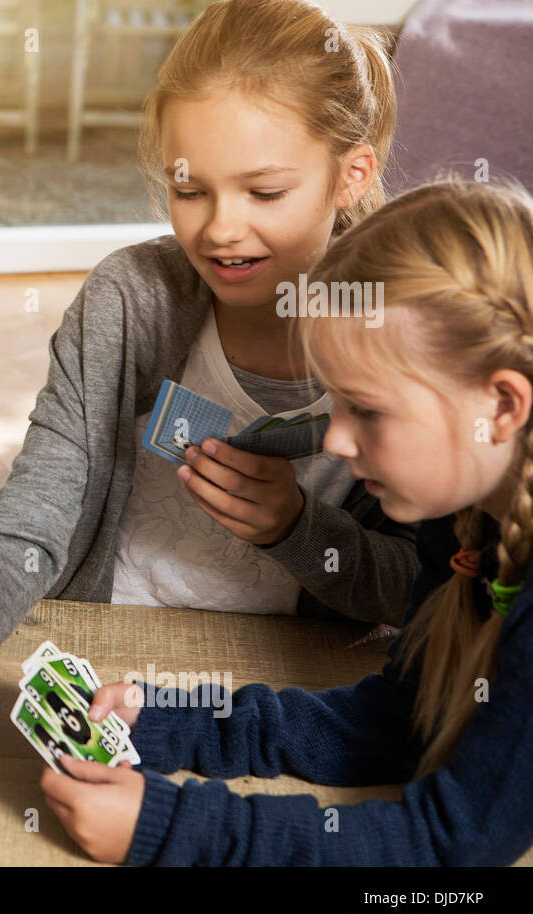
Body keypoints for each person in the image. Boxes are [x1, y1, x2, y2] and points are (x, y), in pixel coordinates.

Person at [0, 0, 414, 798]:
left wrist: (295, 528)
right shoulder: (132, 299)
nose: (220, 229)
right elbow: (31, 521)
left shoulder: (402, 332)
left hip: (291, 701)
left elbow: (413, 592)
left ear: (351, 173)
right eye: (190, 189)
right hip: (103, 652)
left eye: (264, 192)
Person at [45, 179, 533, 865]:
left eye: (367, 409)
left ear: (503, 407)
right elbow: (394, 724)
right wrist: (171, 722)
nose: (334, 442)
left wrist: (174, 826)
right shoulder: (460, 522)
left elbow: (450, 848)